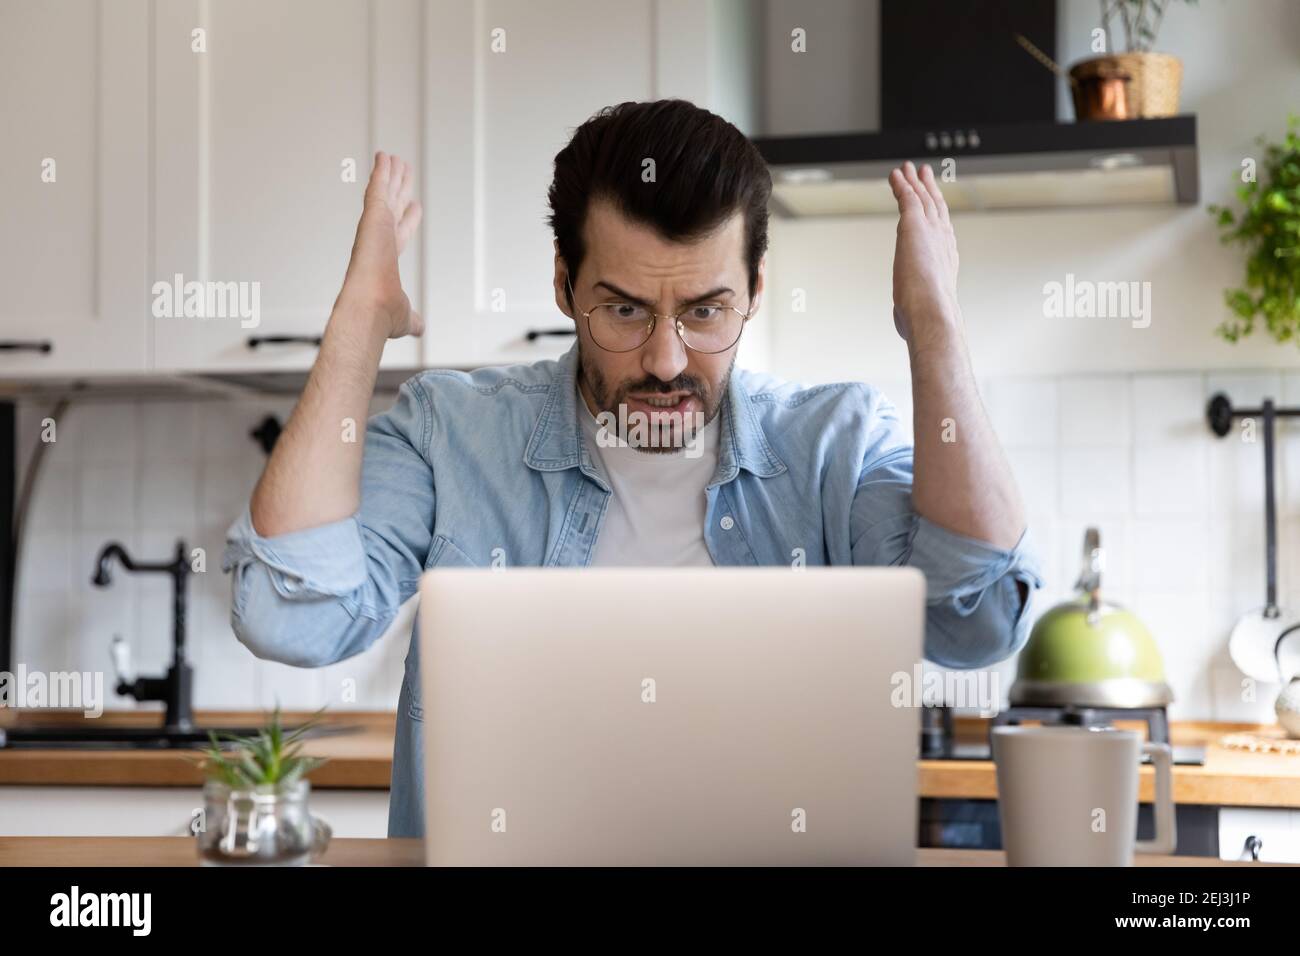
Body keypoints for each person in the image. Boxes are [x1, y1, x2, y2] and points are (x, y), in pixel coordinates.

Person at [224, 99, 1041, 837]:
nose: (663, 359)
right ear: (563, 284)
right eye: (623, 309)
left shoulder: (835, 444)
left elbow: (975, 617)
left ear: (756, 290)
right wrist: (361, 320)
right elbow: (289, 611)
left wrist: (932, 323)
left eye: (705, 311)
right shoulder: (456, 432)